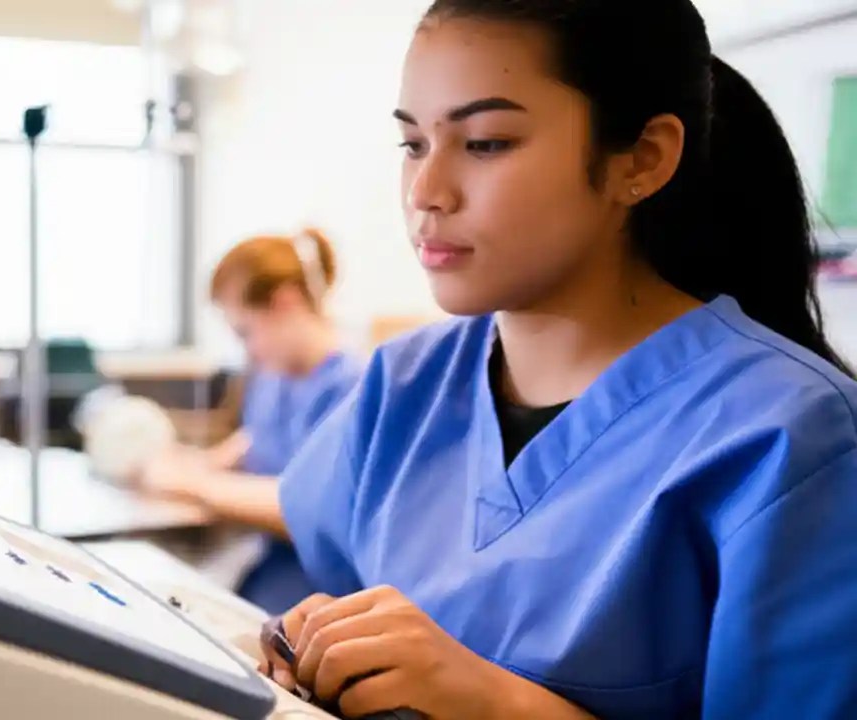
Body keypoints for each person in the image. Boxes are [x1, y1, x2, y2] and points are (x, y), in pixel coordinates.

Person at [258, 2, 857, 719]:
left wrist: (488, 698)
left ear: (640, 160)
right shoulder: (404, 385)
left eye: (484, 143)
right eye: (414, 144)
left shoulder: (790, 435)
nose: (426, 194)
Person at [137, 229, 363, 615]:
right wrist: (193, 461)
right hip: (262, 564)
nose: (248, 350)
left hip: (315, 588)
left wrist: (191, 483)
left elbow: (305, 508)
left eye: (245, 332)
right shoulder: (274, 377)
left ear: (286, 303)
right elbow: (257, 441)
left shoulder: (354, 387)